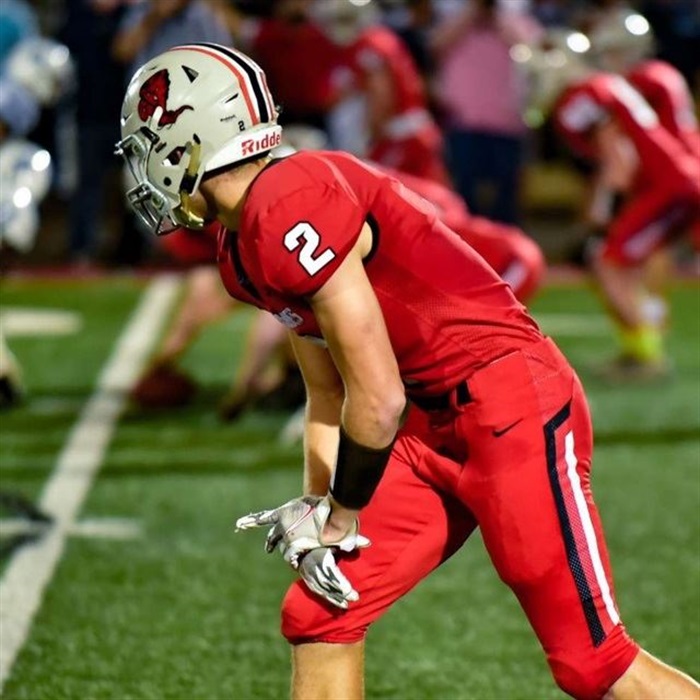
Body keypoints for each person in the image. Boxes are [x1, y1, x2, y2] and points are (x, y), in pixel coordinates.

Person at [117, 43, 700, 700]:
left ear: (190, 137)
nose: (141, 164)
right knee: (320, 614)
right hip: (432, 424)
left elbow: (377, 398)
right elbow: (326, 391)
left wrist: (343, 514)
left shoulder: (290, 201)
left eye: (146, 144)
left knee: (592, 664)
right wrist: (319, 507)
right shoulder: (242, 244)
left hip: (511, 407)